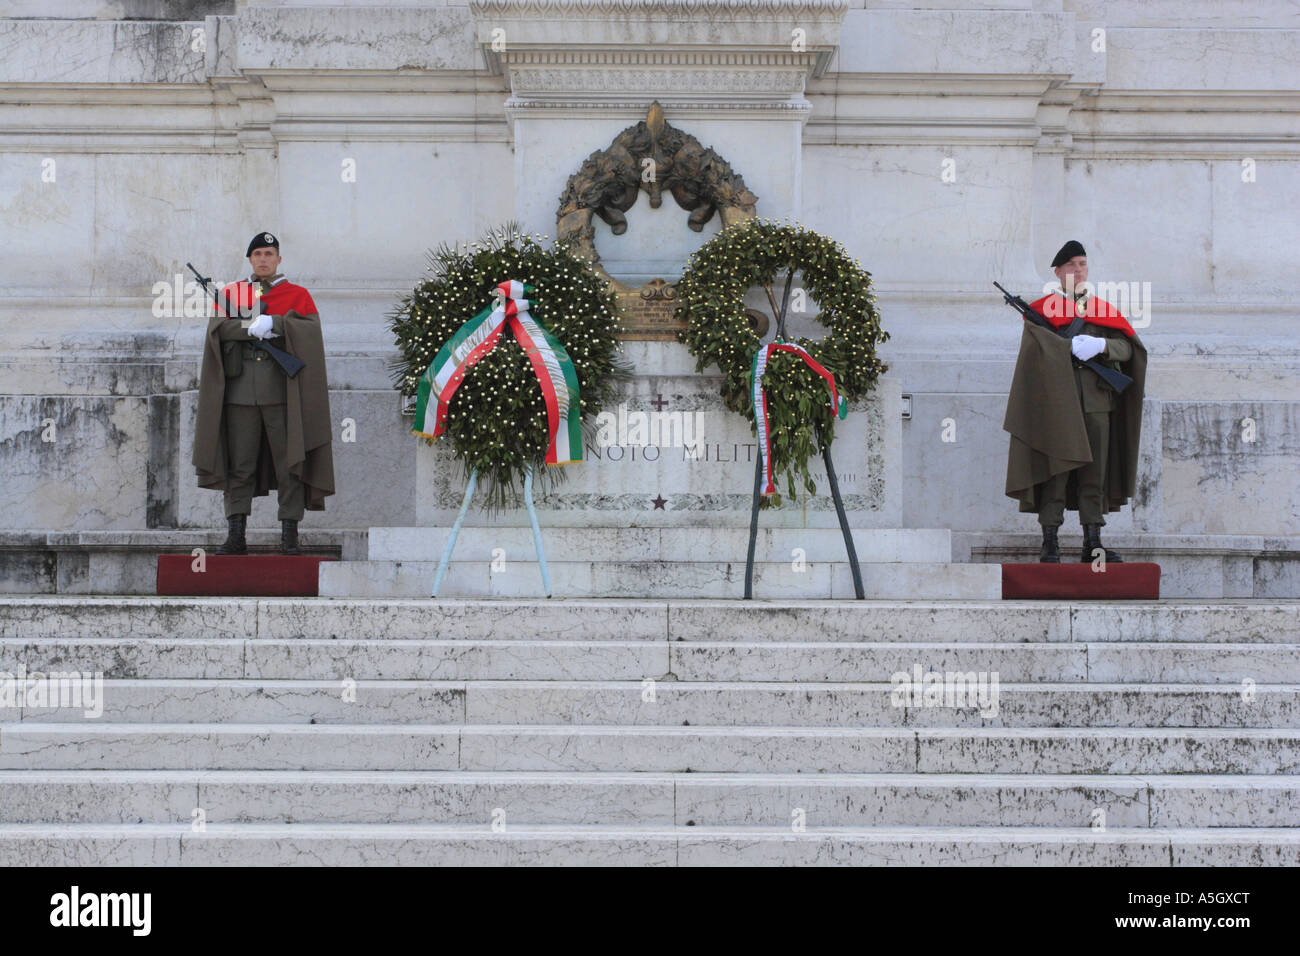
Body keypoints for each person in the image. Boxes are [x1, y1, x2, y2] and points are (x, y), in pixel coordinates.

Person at [1003, 240, 1148, 563]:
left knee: (1094, 473)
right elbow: (1034, 357)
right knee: (1057, 469)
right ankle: (1050, 541)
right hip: (1059, 404)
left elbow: (1128, 349)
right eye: (1071, 265)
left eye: (1082, 264)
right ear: (1058, 272)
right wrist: (1063, 349)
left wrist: (1100, 346)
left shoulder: (1102, 310)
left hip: (1098, 402)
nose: (1078, 271)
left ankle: (1092, 542)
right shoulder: (1042, 312)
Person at [192, 232, 335, 555]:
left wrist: (278, 324)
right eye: (257, 254)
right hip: (240, 394)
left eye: (269, 253)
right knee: (239, 465)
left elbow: (310, 330)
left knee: (290, 464)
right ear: (250, 259)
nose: (263, 259)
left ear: (279, 259)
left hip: (282, 392)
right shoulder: (233, 293)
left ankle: (289, 536)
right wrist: (250, 326)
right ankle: (236, 534)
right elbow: (218, 328)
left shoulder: (297, 295)